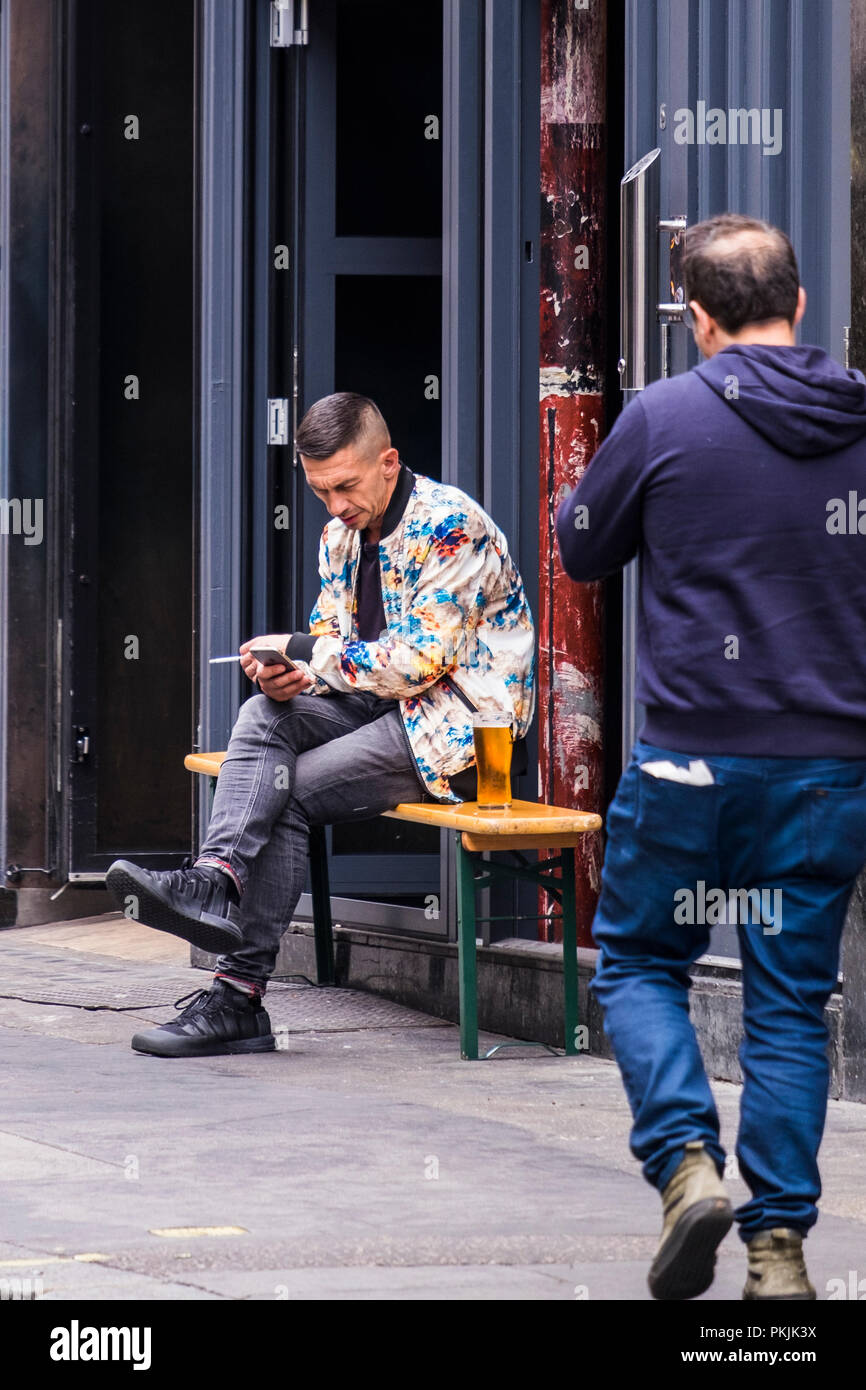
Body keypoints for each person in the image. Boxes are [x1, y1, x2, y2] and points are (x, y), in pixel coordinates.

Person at [556, 214, 866, 1302]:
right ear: (799, 297)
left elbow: (581, 546)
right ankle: (776, 1254)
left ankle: (684, 1164)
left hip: (689, 764)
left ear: (696, 318)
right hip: (825, 771)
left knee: (641, 962)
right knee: (788, 1004)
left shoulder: (663, 416)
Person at [107, 392, 534, 1059]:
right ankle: (212, 880)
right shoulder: (340, 535)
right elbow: (333, 643)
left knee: (290, 793)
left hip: (459, 728)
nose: (335, 506)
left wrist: (306, 651)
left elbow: (416, 665)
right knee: (262, 712)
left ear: (388, 463)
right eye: (319, 490)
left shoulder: (452, 525)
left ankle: (238, 995)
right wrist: (292, 674)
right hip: (381, 705)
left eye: (346, 486)